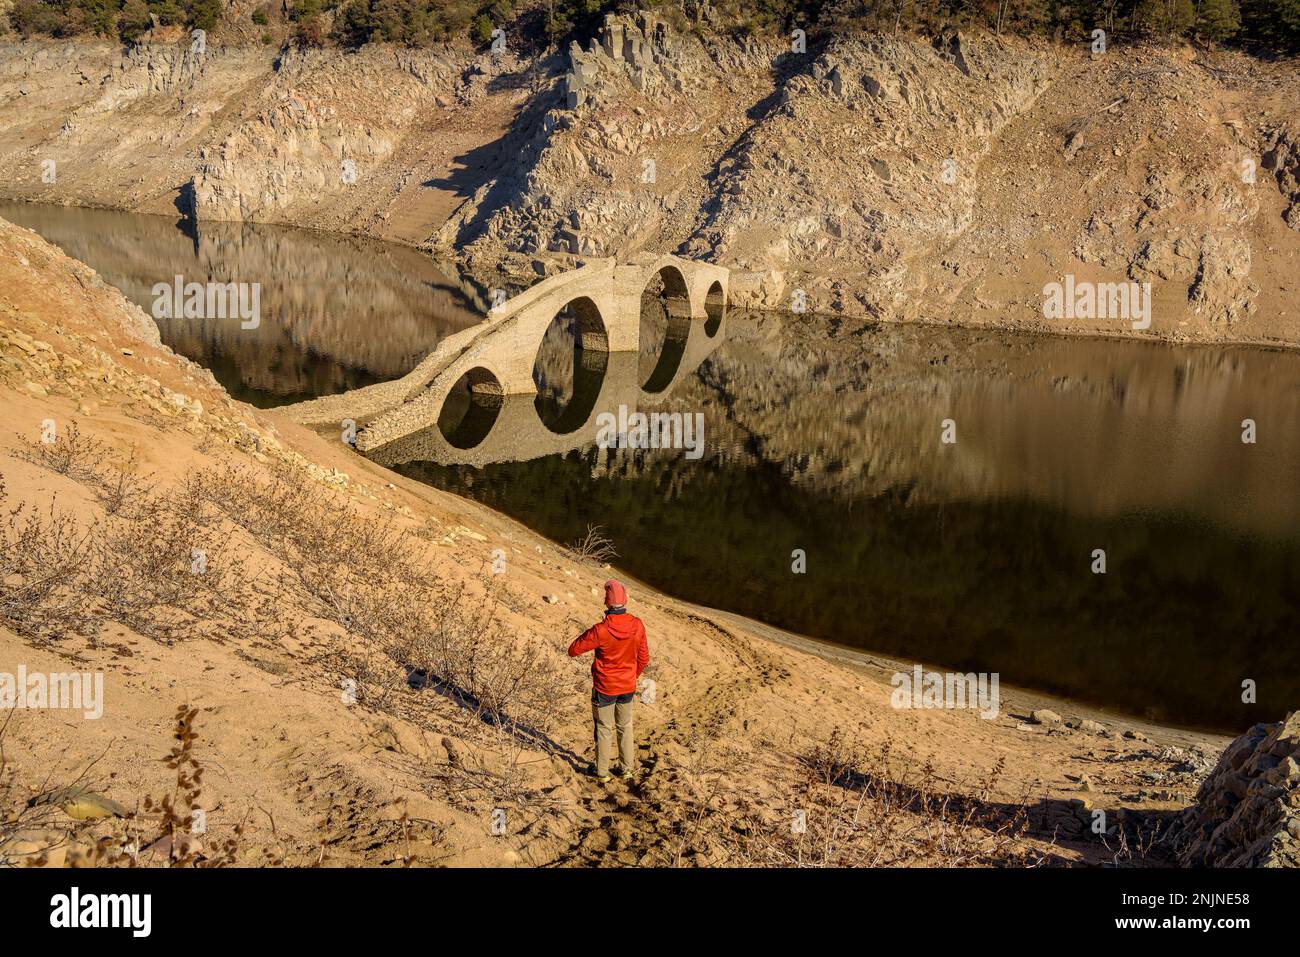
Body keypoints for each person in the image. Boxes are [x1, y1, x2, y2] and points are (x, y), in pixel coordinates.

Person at [568, 579, 650, 783]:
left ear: (607, 602)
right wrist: (632, 675)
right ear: (626, 600)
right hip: (627, 686)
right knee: (625, 726)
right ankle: (626, 769)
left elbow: (574, 649)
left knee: (604, 728)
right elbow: (644, 657)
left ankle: (602, 772)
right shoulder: (637, 625)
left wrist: (592, 634)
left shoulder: (601, 630)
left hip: (605, 686)